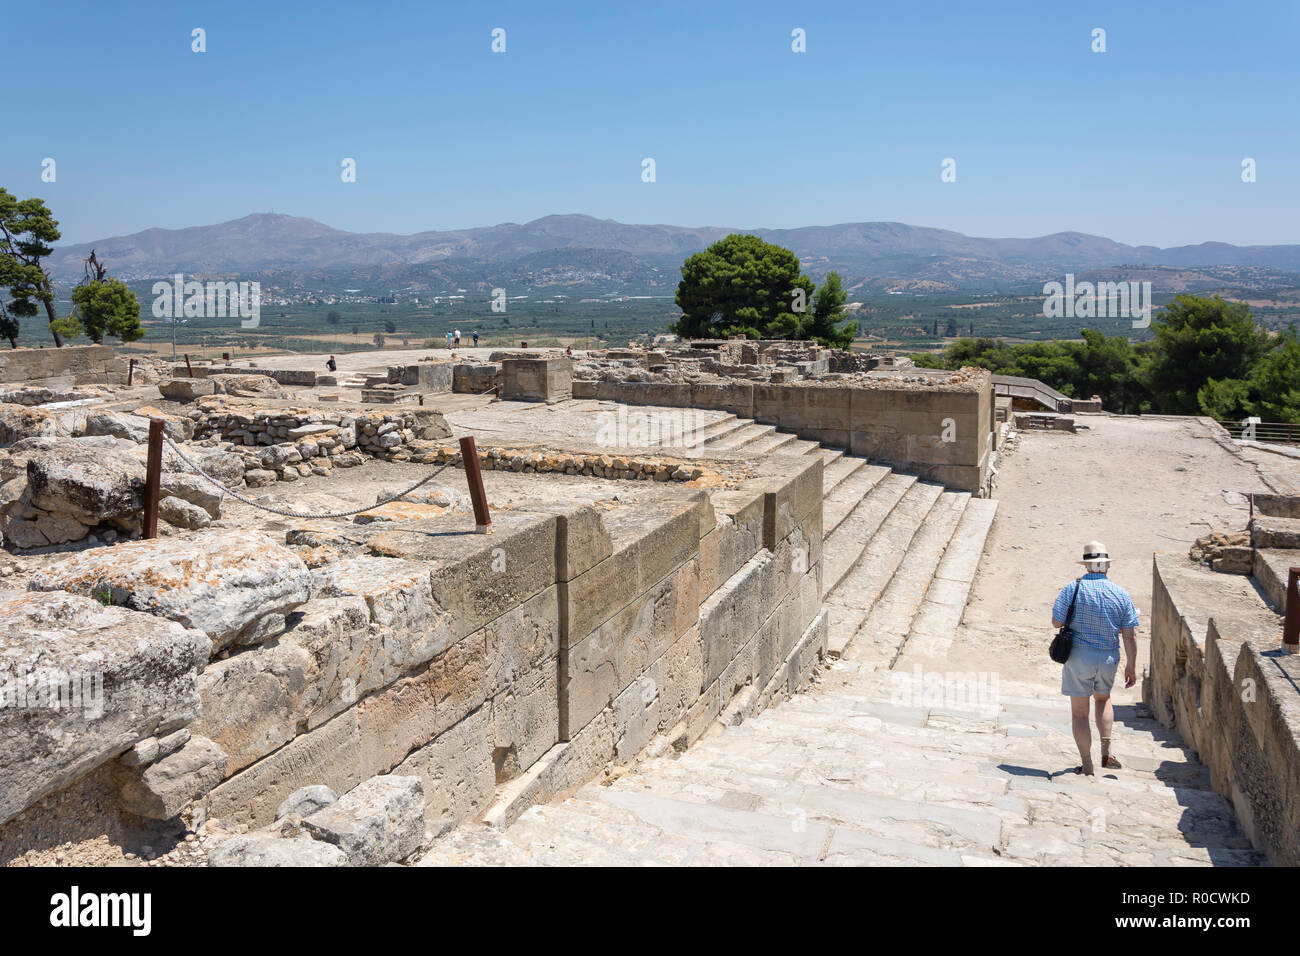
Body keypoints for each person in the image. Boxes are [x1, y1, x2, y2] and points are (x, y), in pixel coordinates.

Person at [1050, 541, 1139, 776]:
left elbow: (1057, 622)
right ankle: (1106, 750)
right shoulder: (1121, 594)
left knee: (1080, 713)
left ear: (1087, 566)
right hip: (1108, 657)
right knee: (1103, 699)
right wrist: (1131, 665)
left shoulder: (1073, 588)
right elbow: (1129, 636)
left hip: (1079, 656)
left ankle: (1087, 764)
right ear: (1107, 566)